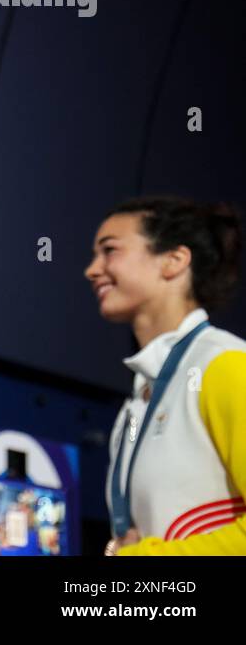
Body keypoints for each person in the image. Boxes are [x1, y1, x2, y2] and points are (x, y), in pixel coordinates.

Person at [86, 196, 246, 555]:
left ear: (174, 260)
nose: (92, 270)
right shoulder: (135, 405)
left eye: (110, 250)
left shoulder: (225, 364)